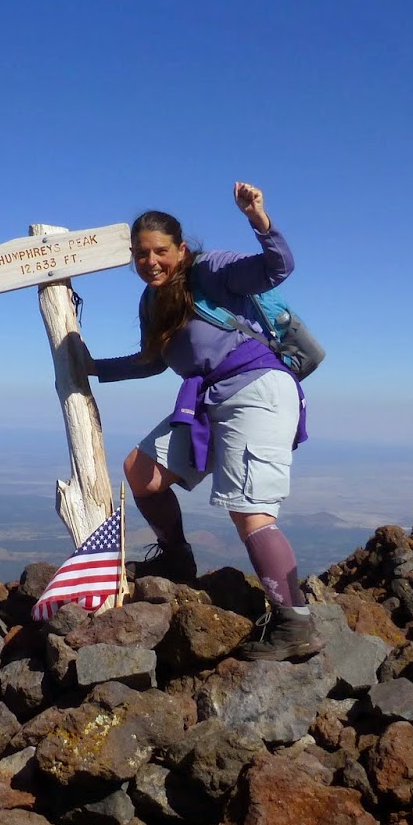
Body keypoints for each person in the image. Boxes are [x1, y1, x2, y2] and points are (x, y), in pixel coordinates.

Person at [89, 182, 326, 662]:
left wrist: (259, 218)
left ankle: (294, 623)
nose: (150, 261)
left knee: (249, 509)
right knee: (142, 472)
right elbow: (154, 361)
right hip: (209, 398)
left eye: (160, 251)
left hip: (256, 389)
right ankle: (177, 560)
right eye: (140, 254)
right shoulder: (152, 302)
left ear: (180, 248)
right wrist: (92, 367)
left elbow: (278, 267)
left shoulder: (210, 269)